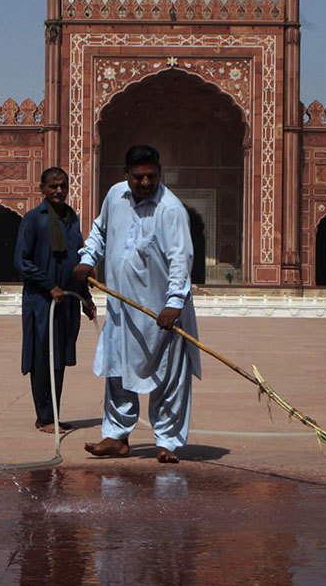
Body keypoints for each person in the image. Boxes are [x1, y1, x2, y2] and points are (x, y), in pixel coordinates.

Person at [73, 145, 201, 464]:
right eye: (139, 177)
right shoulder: (116, 195)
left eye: (152, 176)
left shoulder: (170, 209)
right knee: (117, 372)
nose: (145, 183)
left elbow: (180, 260)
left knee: (169, 378)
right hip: (121, 305)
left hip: (160, 312)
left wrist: (174, 303)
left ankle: (167, 442)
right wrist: (88, 260)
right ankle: (117, 436)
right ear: (125, 174)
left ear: (160, 172)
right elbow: (100, 232)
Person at [14, 167, 96, 434]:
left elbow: (76, 261)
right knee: (42, 358)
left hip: (67, 302)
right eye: (52, 186)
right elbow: (21, 261)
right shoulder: (33, 219)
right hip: (41, 302)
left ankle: (54, 414)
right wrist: (49, 286)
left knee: (58, 359)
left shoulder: (72, 220)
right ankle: (44, 417)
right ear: (42, 189)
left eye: (63, 185)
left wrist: (85, 297)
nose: (59, 190)